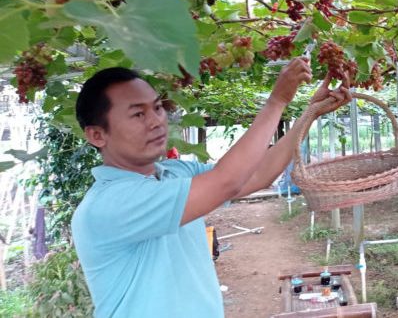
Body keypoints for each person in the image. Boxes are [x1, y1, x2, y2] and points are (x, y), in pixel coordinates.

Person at [71, 58, 350, 318]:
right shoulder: (110, 205)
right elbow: (226, 181)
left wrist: (309, 114)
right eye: (137, 115)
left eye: (156, 107)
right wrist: (276, 101)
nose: (156, 120)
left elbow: (257, 175)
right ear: (97, 135)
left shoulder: (176, 173)